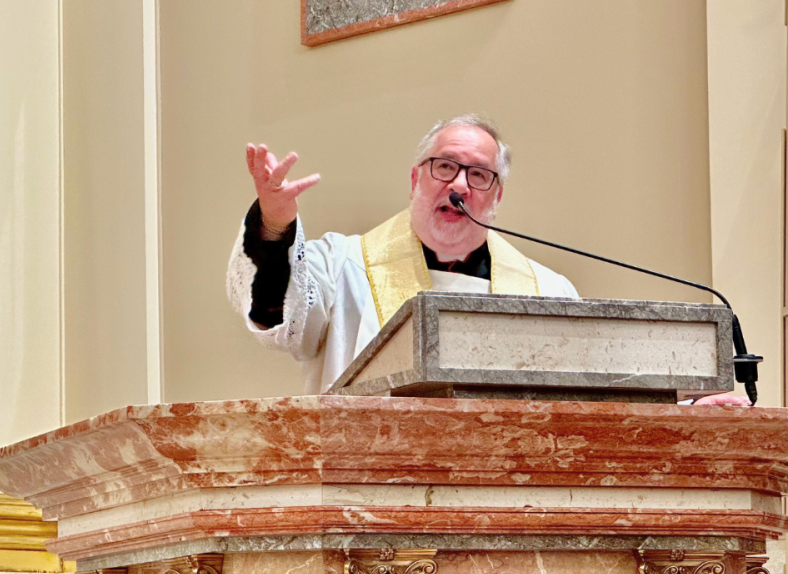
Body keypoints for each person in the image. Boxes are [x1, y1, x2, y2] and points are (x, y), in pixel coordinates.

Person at [226, 114, 749, 405]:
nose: (459, 185)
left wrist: (696, 408)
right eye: (444, 166)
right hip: (369, 517)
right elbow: (280, 318)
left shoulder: (546, 292)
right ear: (415, 180)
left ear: (495, 199)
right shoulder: (342, 266)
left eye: (479, 175)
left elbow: (599, 399)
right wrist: (274, 223)